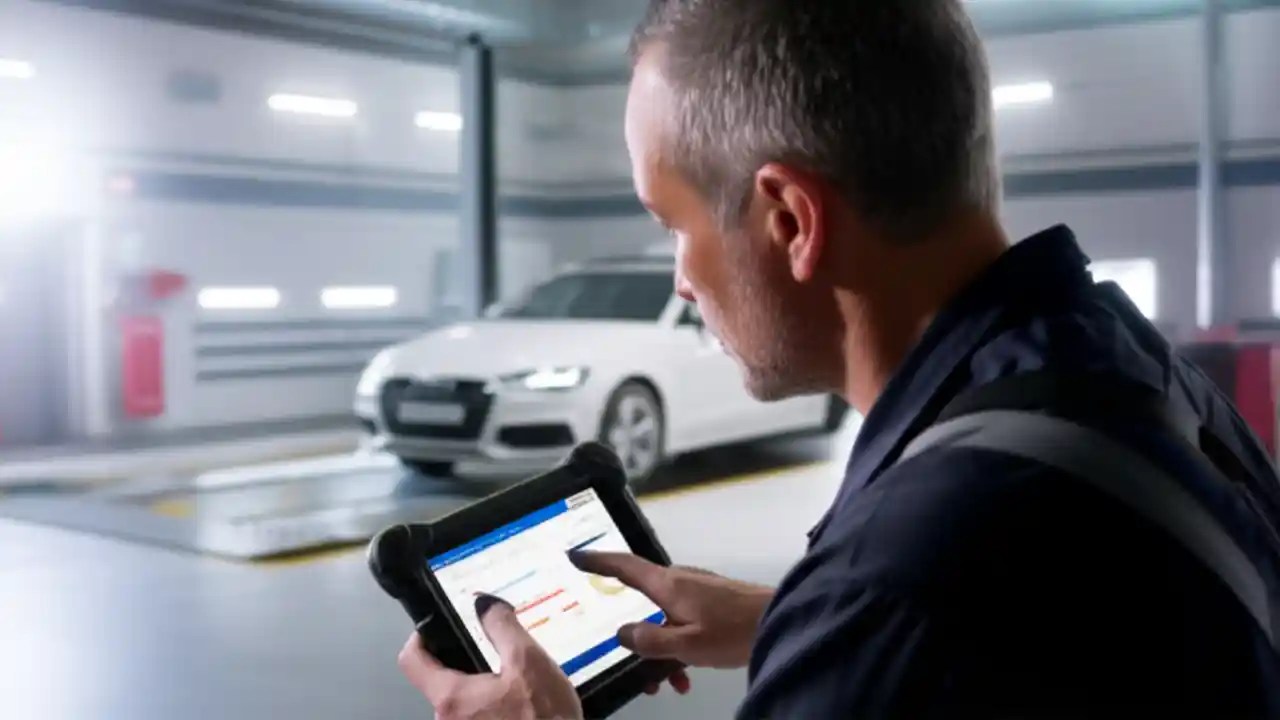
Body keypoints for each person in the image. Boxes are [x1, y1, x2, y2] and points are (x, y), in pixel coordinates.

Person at [398, 1, 1280, 717]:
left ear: (790, 220)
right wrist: (791, 618)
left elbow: (935, 606)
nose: (681, 281)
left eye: (675, 225)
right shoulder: (1133, 373)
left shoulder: (905, 579)